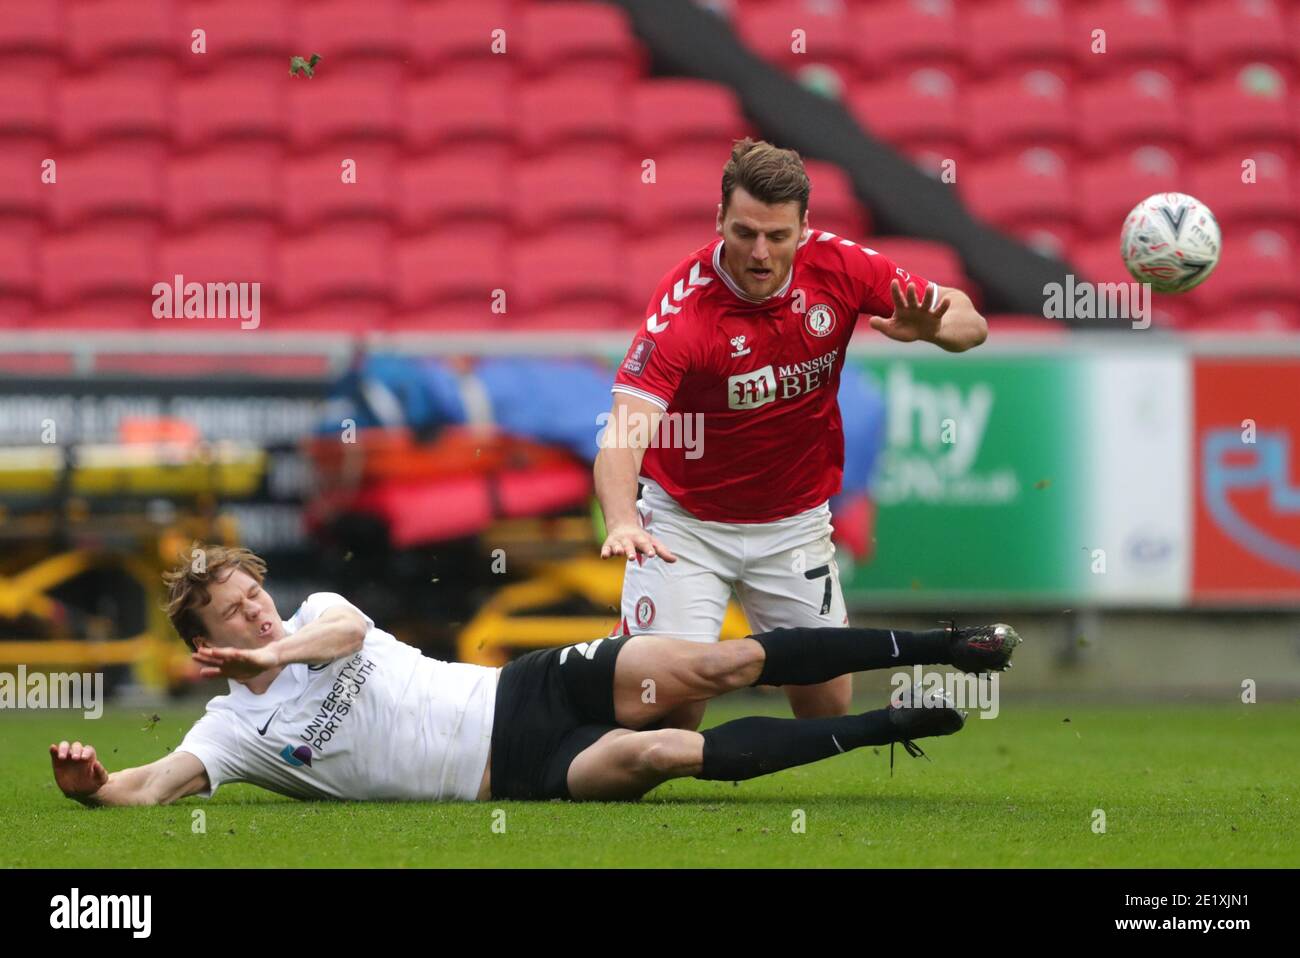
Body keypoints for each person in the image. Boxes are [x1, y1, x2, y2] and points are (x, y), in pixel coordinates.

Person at [49, 546, 1020, 806]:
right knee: (664, 753)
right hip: (511, 776)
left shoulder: (313, 618)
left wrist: (277, 644)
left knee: (720, 659)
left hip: (525, 689)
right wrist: (94, 786)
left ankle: (940, 643)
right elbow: (152, 788)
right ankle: (892, 727)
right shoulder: (230, 734)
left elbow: (338, 637)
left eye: (253, 596)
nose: (258, 612)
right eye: (235, 613)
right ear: (204, 641)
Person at [595, 138, 989, 731]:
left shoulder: (842, 266)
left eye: (777, 237)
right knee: (663, 719)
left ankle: (696, 657)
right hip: (687, 524)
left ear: (804, 228)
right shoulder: (683, 312)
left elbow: (969, 321)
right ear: (720, 221)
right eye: (744, 232)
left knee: (825, 706)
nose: (759, 253)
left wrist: (933, 330)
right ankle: (630, 663)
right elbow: (623, 434)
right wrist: (624, 519)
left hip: (794, 523)